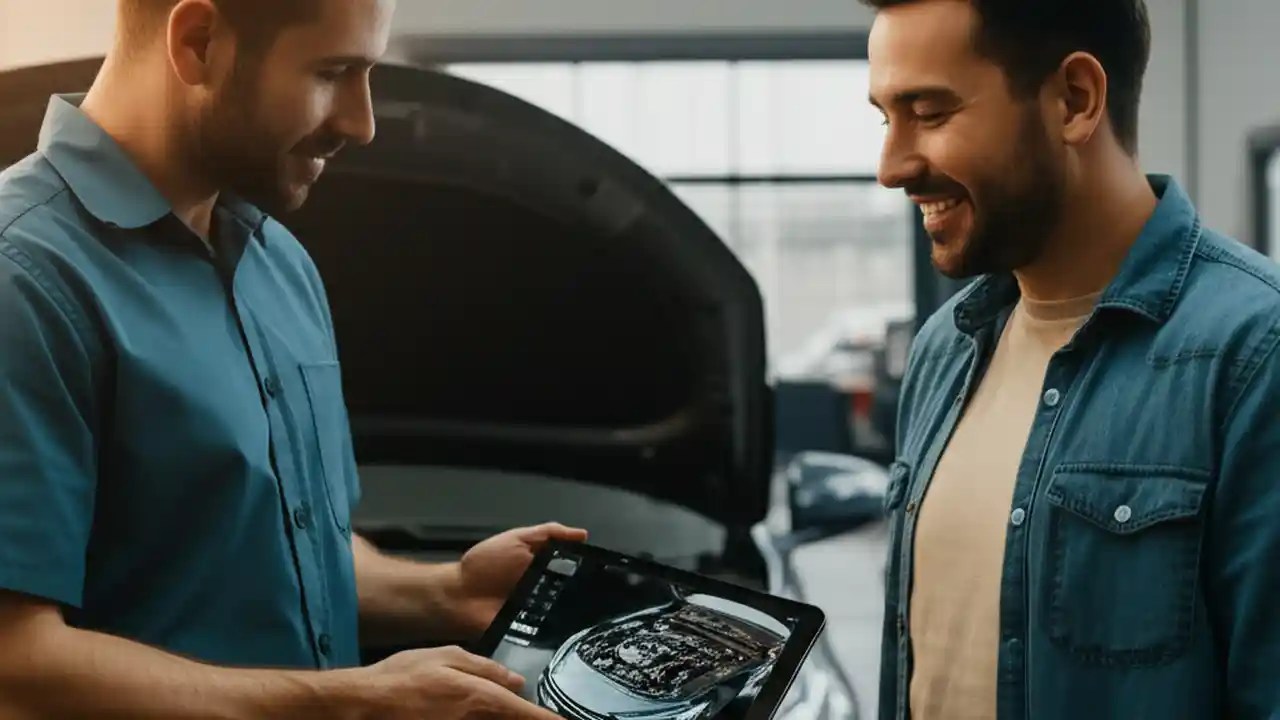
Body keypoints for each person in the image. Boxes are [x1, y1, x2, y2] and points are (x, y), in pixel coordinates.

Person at [0, 0, 583, 717]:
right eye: (333, 71)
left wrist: (444, 593)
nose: (361, 124)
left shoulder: (280, 264)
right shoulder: (20, 278)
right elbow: (14, 665)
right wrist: (351, 702)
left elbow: (273, 549)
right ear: (199, 41)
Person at [863, 0, 1280, 718]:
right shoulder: (944, 350)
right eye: (885, 118)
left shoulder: (1253, 356)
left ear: (1075, 100)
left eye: (928, 114)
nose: (891, 166)